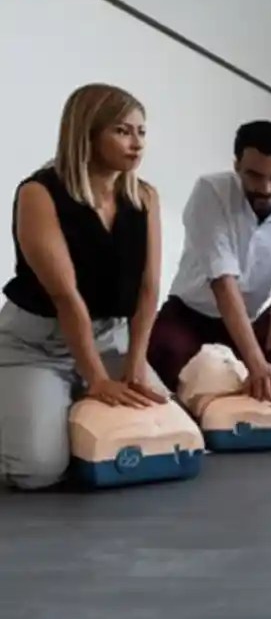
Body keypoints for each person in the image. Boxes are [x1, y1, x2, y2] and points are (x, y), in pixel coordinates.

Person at [0, 83, 167, 490]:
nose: (136, 143)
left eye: (141, 132)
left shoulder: (144, 197)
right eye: (122, 131)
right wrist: (96, 380)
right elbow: (65, 295)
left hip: (111, 338)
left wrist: (135, 366)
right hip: (37, 346)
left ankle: (58, 414)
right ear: (87, 133)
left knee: (164, 437)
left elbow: (148, 291)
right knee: (37, 473)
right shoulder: (38, 193)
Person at [147, 121, 271, 401]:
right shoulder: (211, 191)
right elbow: (223, 282)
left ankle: (270, 400)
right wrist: (256, 365)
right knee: (162, 349)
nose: (266, 188)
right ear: (236, 165)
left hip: (254, 320)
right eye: (254, 175)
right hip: (193, 315)